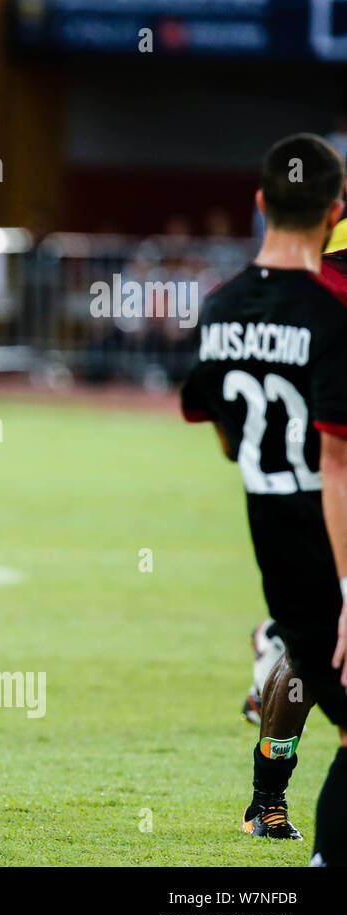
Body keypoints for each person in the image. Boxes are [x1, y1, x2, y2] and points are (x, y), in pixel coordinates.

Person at [181, 133, 347, 864]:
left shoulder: (220, 307)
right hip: (328, 515)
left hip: (277, 523)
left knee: (308, 653)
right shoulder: (329, 299)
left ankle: (268, 798)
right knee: (317, 658)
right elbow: (338, 462)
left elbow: (214, 415)